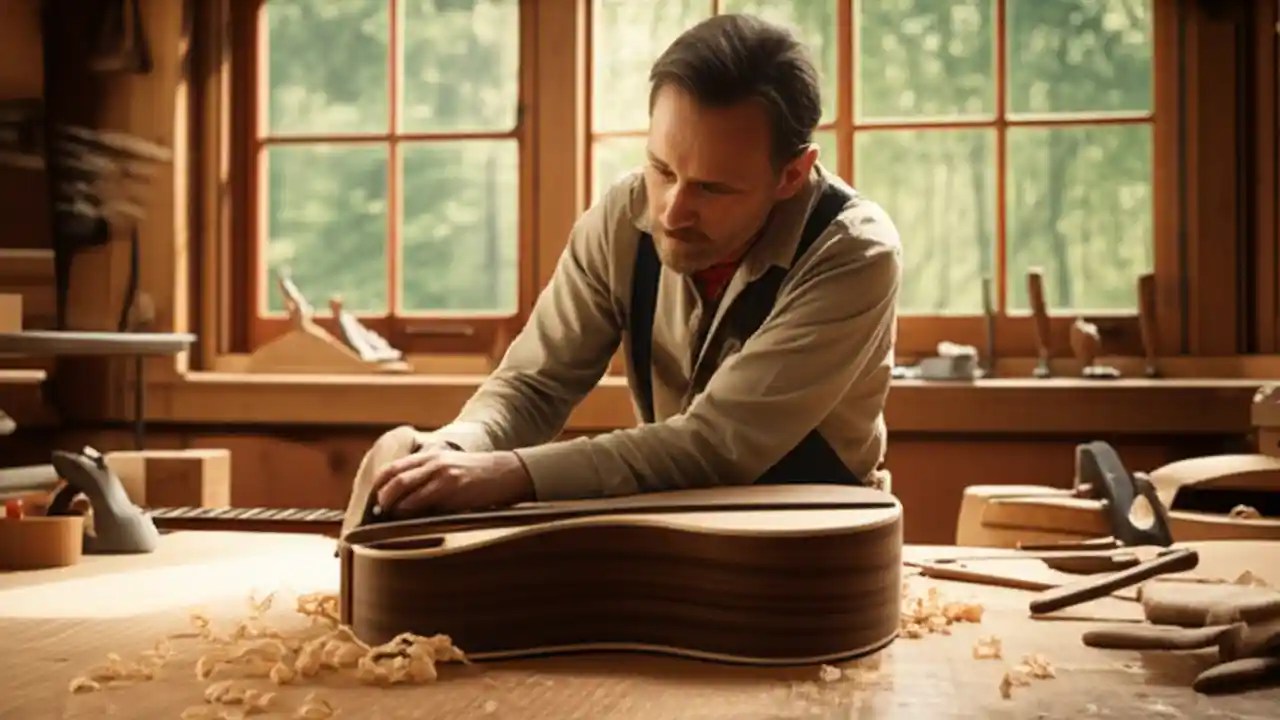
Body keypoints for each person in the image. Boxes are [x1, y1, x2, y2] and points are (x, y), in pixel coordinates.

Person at [342, 13, 901, 529]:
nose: (672, 211)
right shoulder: (624, 217)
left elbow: (714, 445)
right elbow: (535, 384)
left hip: (818, 547)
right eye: (661, 167)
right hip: (668, 531)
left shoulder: (854, 253)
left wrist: (509, 474)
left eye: (713, 187)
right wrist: (456, 450)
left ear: (792, 174)